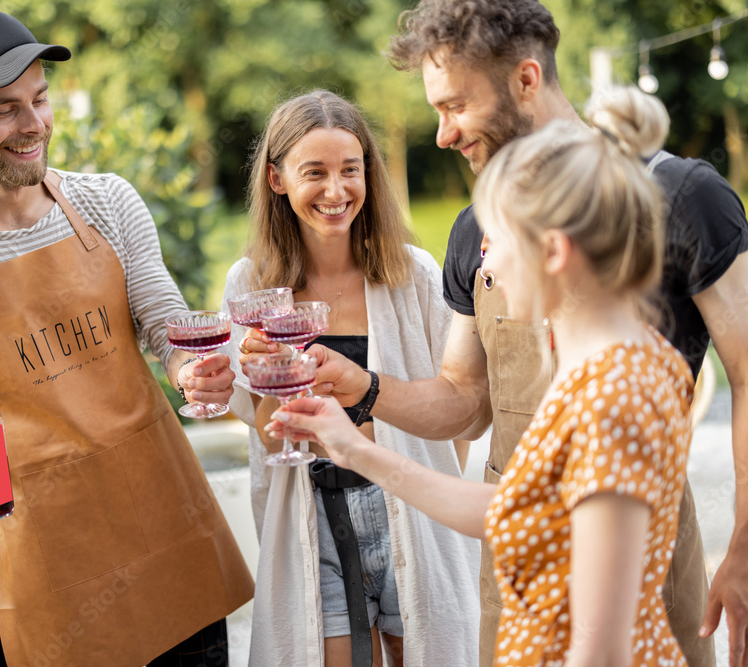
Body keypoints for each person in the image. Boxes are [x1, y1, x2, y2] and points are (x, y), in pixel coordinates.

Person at [307, 1, 748, 666]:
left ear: (526, 79)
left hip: (640, 568)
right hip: (516, 572)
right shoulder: (479, 224)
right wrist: (362, 394)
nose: (442, 134)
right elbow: (468, 401)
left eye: (455, 106)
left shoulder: (682, 200)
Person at [0, 8, 253, 666]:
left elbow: (165, 326)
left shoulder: (108, 202)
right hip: (55, 566)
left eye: (40, 99)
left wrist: (189, 369)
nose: (34, 123)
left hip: (166, 528)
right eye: (5, 109)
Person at [272, 85, 694, 666]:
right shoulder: (615, 366)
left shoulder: (613, 396)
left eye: (495, 239)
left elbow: (602, 644)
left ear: (553, 250)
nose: (484, 262)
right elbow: (510, 511)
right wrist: (355, 448)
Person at [222, 90, 480, 666]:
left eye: (350, 169)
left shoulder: (414, 275)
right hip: (313, 514)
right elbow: (270, 439)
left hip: (409, 505)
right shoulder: (251, 284)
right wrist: (271, 378)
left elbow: (455, 414)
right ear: (276, 179)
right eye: (314, 172)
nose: (336, 191)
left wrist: (428, 486)